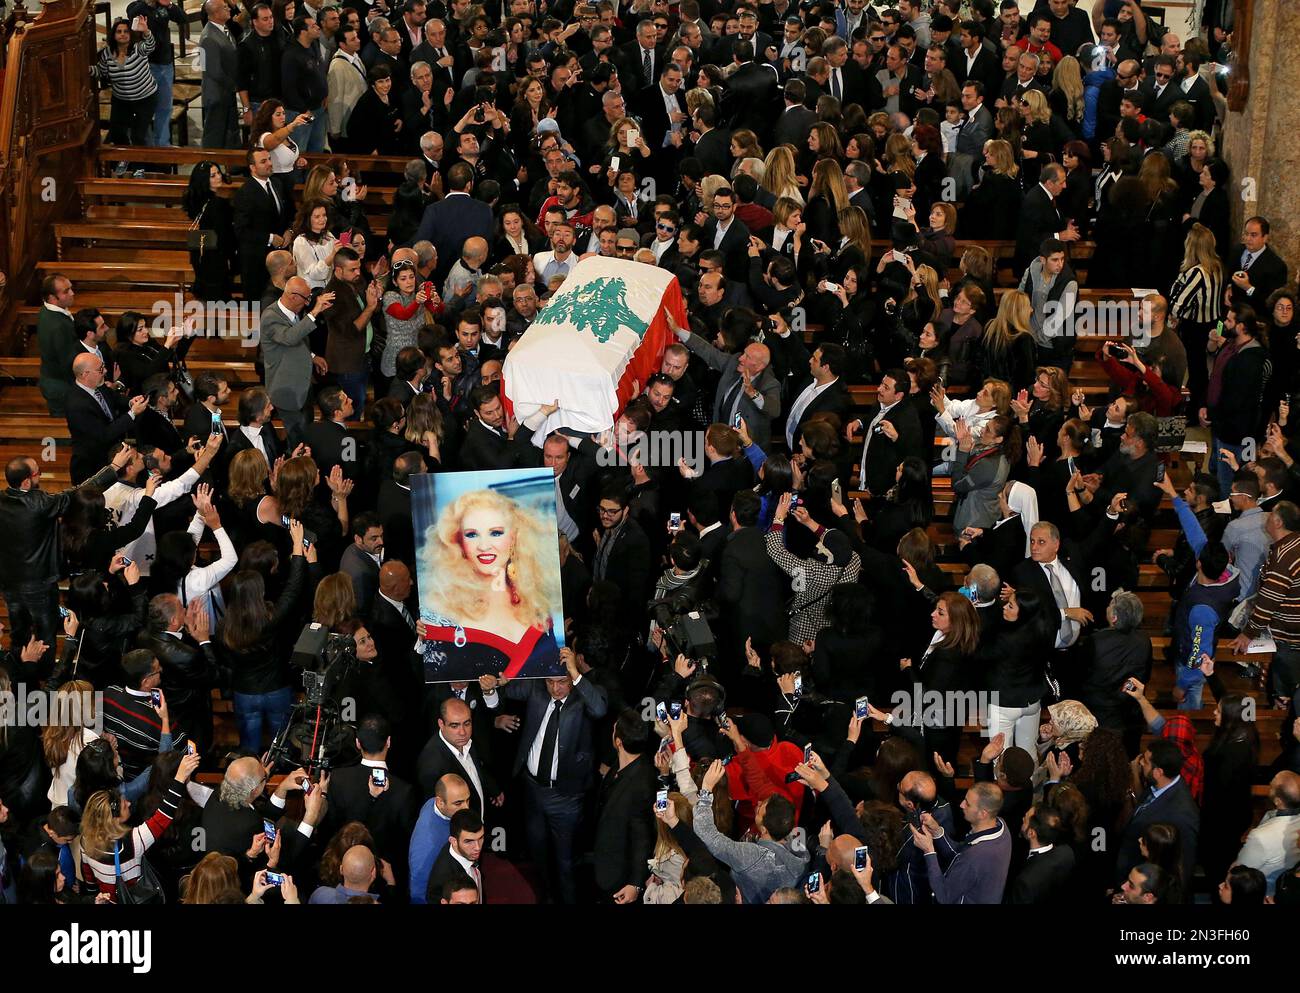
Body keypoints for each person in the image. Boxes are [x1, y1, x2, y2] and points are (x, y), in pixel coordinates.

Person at [416, 486, 562, 680]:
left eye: (495, 533)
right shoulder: (440, 609)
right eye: (472, 534)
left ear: (514, 537)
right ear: (458, 541)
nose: (484, 546)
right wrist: (421, 639)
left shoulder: (537, 600)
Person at [501, 647, 608, 904]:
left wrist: (575, 672)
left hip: (566, 797)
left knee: (565, 863)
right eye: (550, 682)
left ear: (572, 678)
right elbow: (508, 687)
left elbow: (600, 709)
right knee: (538, 855)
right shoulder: (538, 690)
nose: (555, 689)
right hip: (532, 791)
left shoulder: (586, 696)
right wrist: (496, 684)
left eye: (562, 682)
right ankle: (546, 898)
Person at [910, 780, 1012, 904]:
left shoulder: (976, 856)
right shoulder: (1002, 827)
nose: (962, 805)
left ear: (983, 814)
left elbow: (944, 896)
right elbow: (959, 854)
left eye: (968, 804)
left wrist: (928, 850)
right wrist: (937, 831)